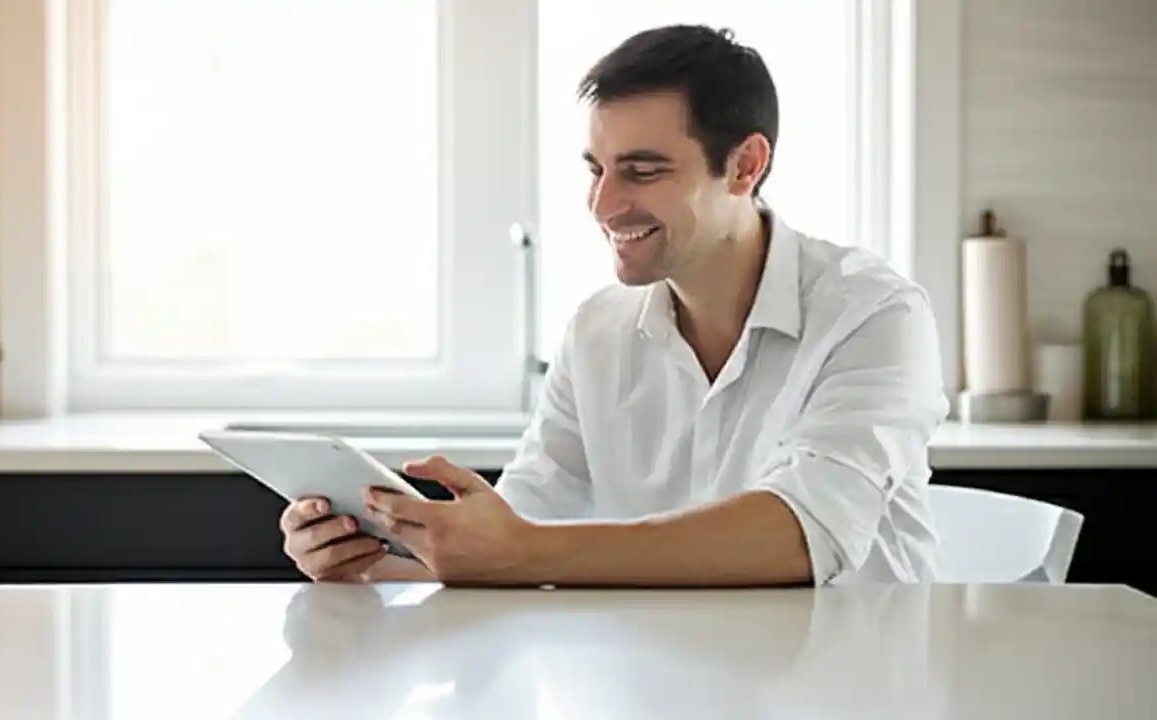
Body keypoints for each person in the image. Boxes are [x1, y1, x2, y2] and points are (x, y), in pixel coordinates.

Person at [280, 24, 948, 587]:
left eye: (643, 170)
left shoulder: (875, 315)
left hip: (851, 688)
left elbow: (803, 535)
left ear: (745, 166)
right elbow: (518, 537)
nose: (602, 206)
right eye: (596, 169)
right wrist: (377, 561)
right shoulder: (598, 331)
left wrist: (516, 550)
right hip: (653, 685)